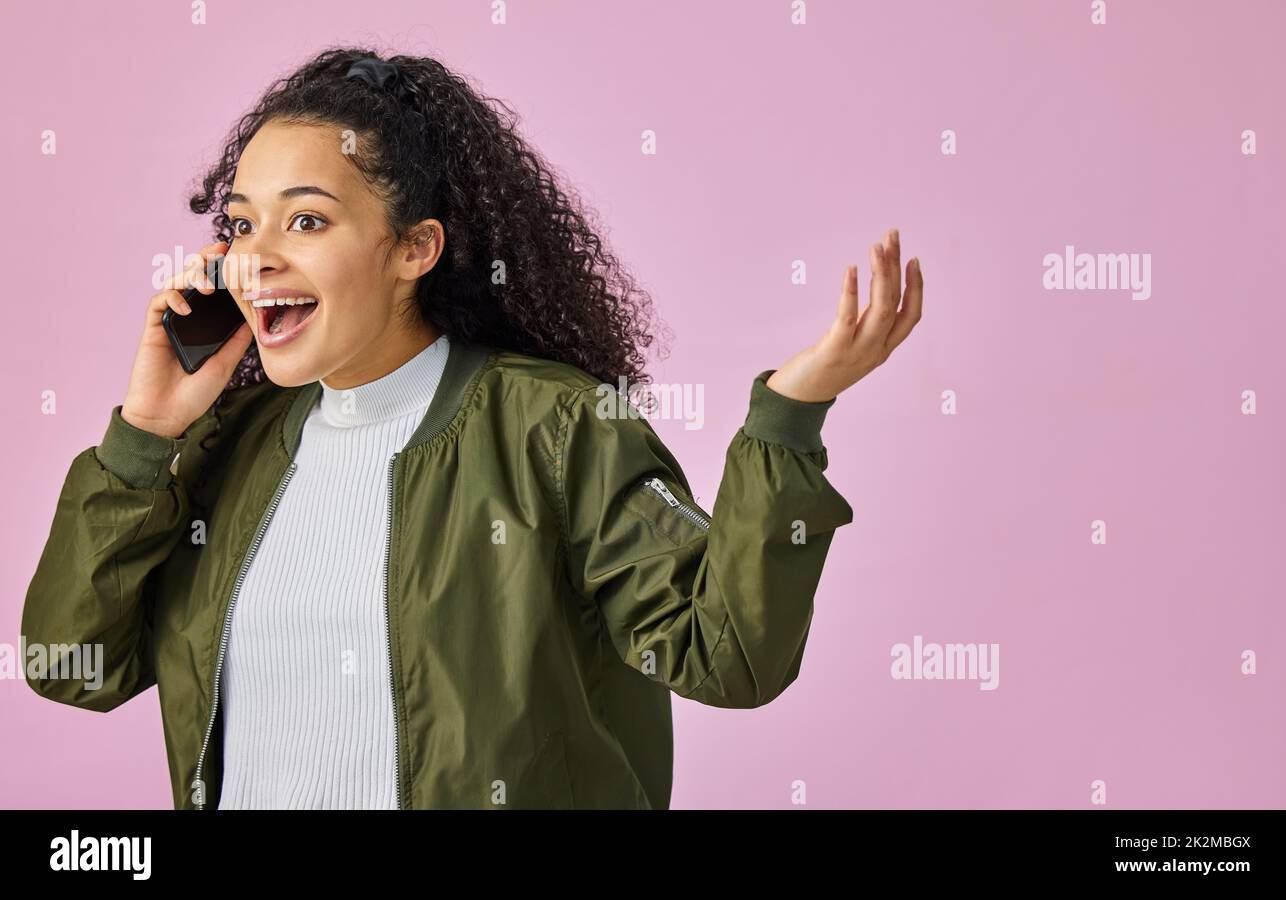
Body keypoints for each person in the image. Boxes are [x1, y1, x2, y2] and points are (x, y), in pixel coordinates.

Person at [20, 47, 923, 810]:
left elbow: (726, 656)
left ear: (415, 248)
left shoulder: (555, 428)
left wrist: (788, 419)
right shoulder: (233, 443)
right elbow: (74, 665)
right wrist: (145, 434)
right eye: (242, 223)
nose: (256, 257)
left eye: (306, 219)